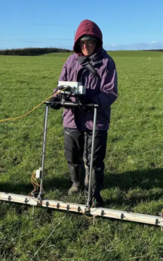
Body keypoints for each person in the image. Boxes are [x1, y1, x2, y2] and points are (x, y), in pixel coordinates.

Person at [48, 19, 118, 208]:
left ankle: (94, 191)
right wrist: (56, 97)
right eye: (83, 42)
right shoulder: (71, 61)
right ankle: (76, 182)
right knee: (72, 155)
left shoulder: (106, 62)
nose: (86, 46)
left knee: (94, 159)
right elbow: (62, 84)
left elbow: (111, 91)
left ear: (98, 42)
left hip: (96, 118)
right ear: (77, 43)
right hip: (71, 118)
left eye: (91, 42)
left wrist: (95, 101)